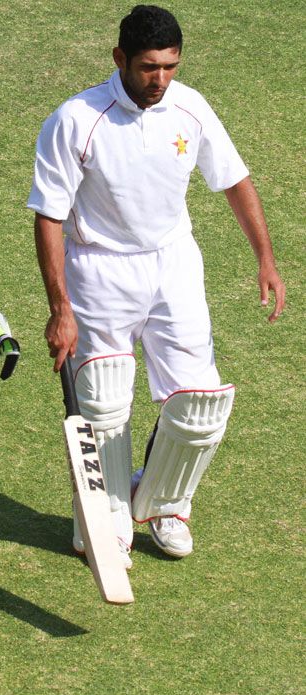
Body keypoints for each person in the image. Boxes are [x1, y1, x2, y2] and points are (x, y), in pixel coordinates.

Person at [28, 5, 285, 566]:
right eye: (149, 67)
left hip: (173, 265)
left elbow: (235, 179)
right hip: (99, 269)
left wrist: (265, 258)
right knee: (103, 403)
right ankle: (105, 518)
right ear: (120, 59)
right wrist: (60, 307)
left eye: (170, 67)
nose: (160, 79)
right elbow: (49, 216)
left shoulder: (190, 107)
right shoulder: (75, 120)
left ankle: (165, 503)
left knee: (201, 406)